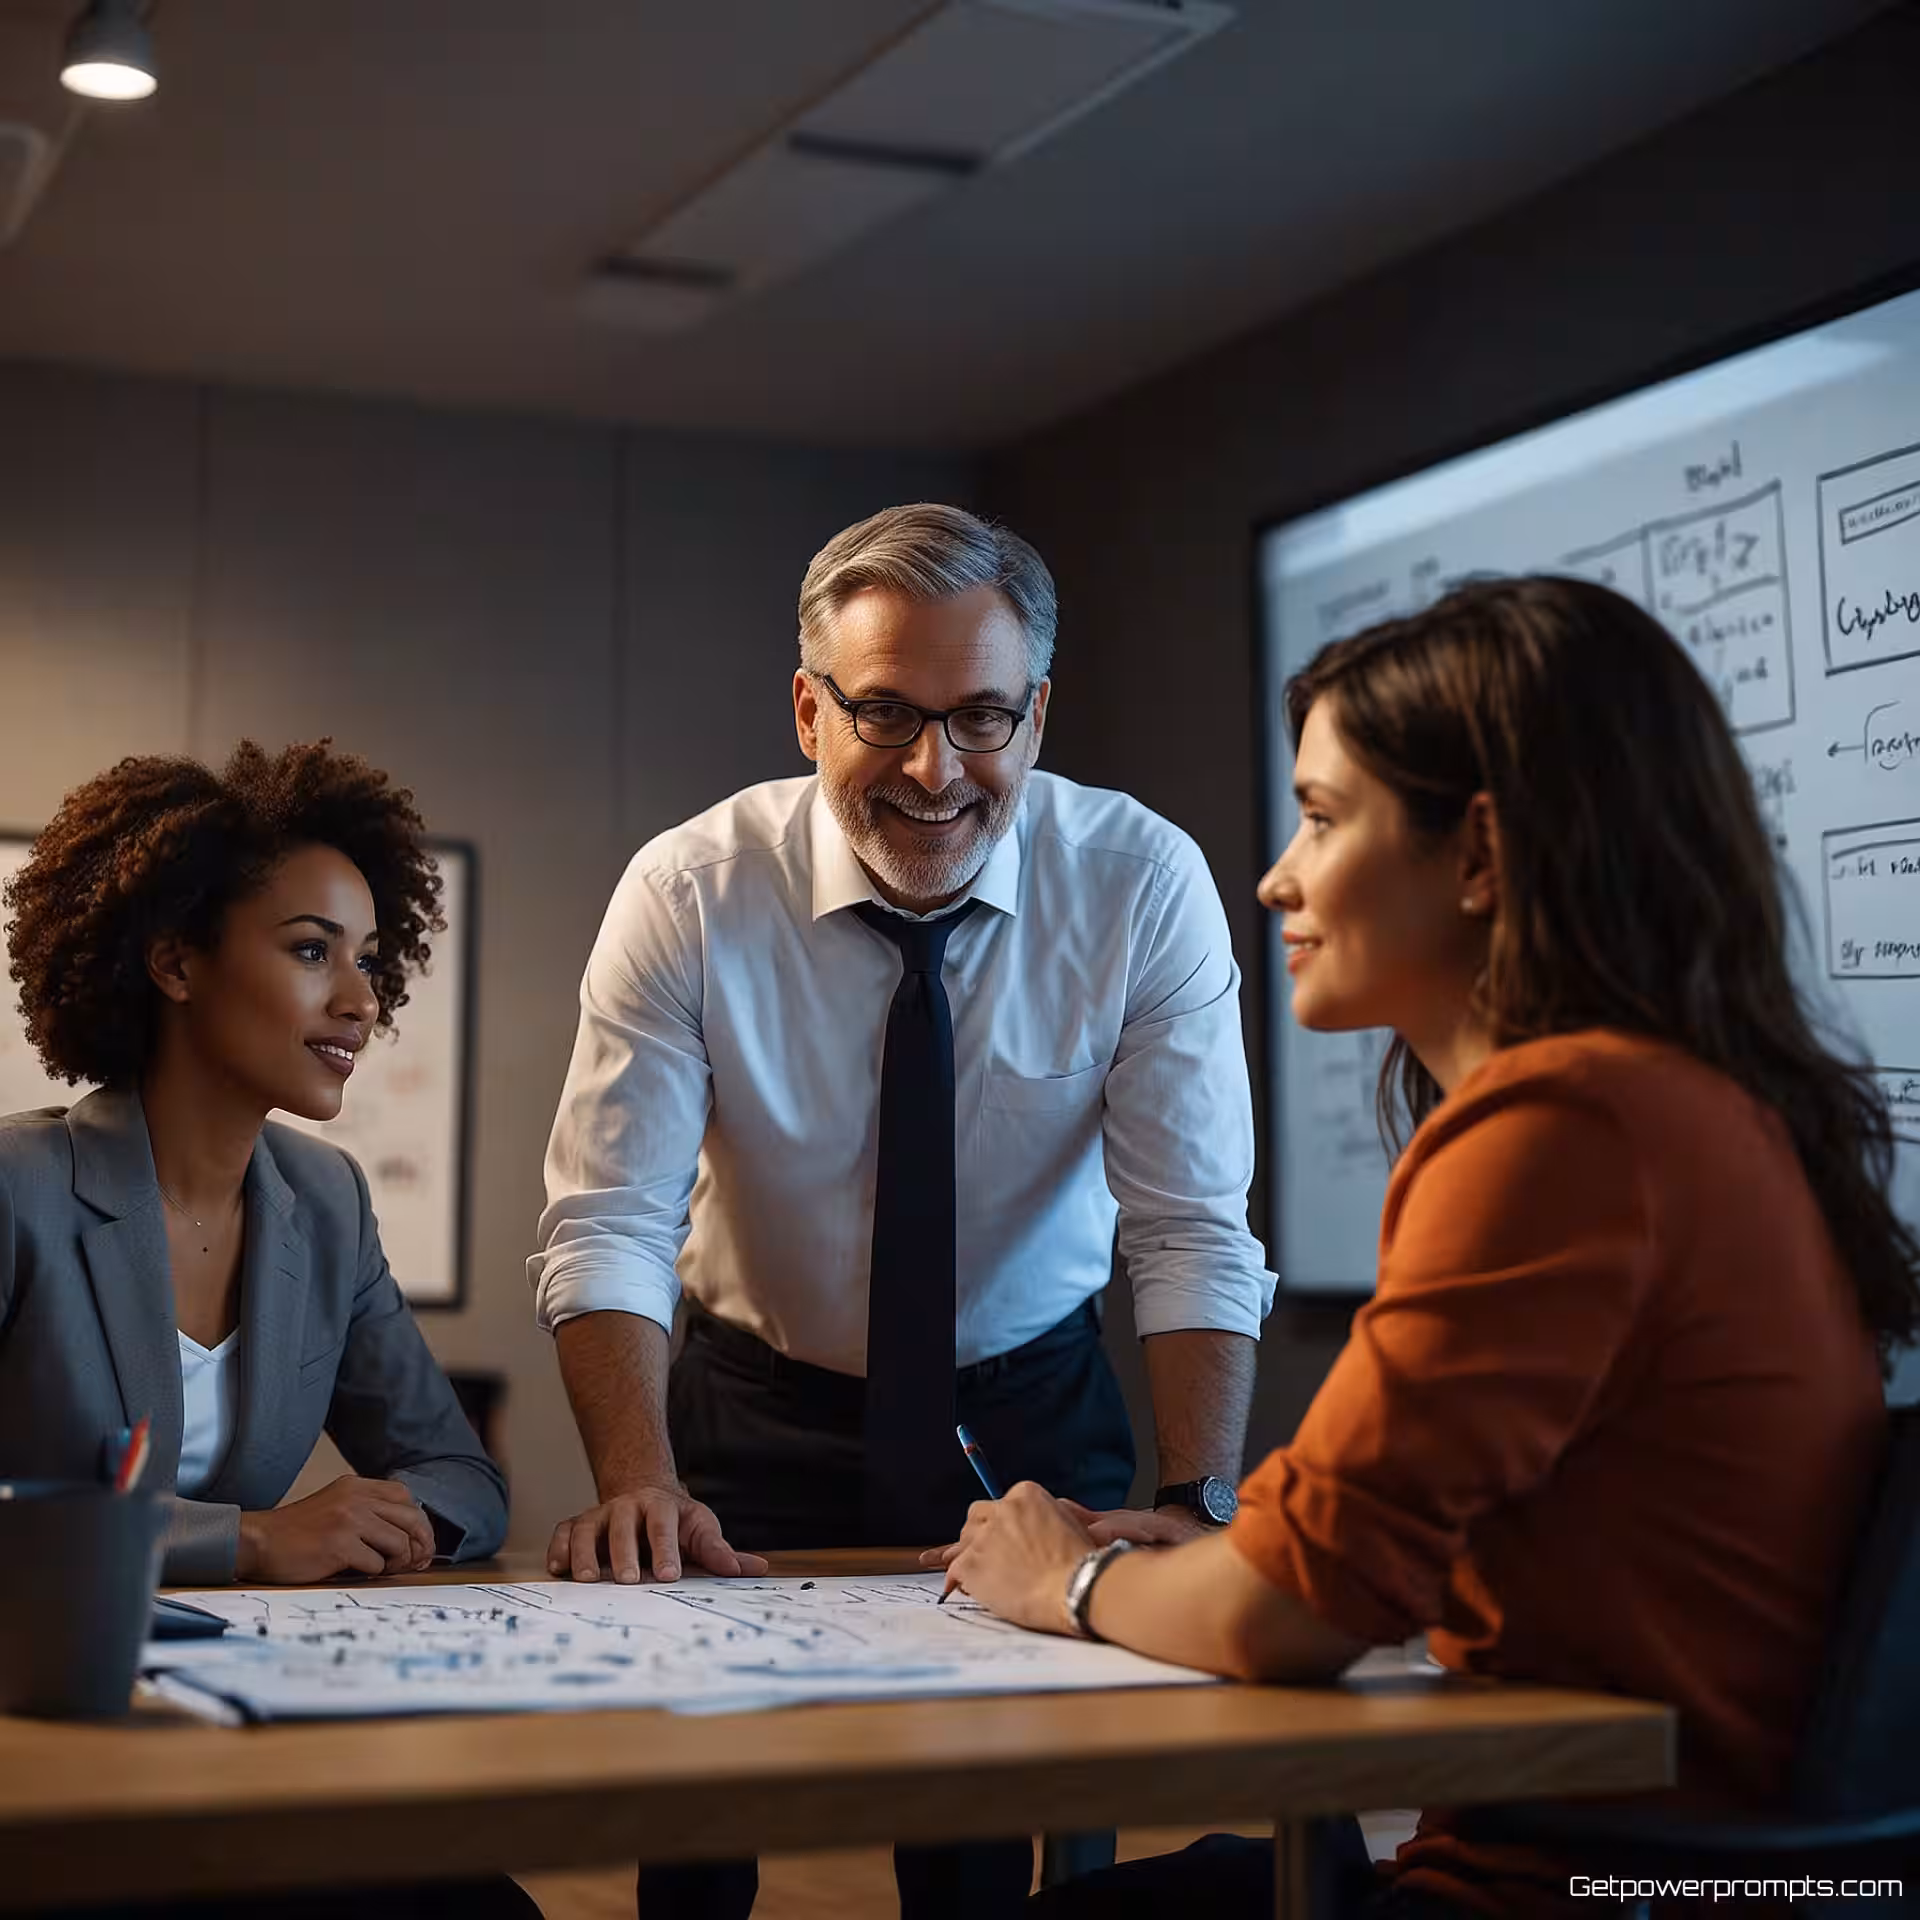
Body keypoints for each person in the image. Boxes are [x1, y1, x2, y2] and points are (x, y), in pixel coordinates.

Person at [935, 576, 1913, 1918]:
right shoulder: (1684, 1111)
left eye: (1325, 817)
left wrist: (1070, 1579)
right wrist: (1221, 1559)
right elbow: (1364, 1549)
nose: (1279, 873)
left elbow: (1287, 1617)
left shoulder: (1563, 1129)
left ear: (1479, 856)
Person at [531, 503, 1275, 1919]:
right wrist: (638, 1479)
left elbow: (1188, 1230)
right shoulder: (689, 892)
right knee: (700, 1834)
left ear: (1038, 714)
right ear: (810, 707)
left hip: (1029, 1401)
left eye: (982, 717)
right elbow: (609, 1220)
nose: (937, 769)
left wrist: (1198, 1500)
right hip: (756, 1404)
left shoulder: (1137, 885)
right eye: (885, 714)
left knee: (1004, 1831)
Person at [0, 741, 508, 1584]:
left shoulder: (328, 1201)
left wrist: (376, 1522)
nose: (361, 1001)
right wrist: (249, 1540)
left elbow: (465, 1481)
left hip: (246, 1682)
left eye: (369, 960)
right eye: (313, 951)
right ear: (175, 962)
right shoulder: (20, 1187)